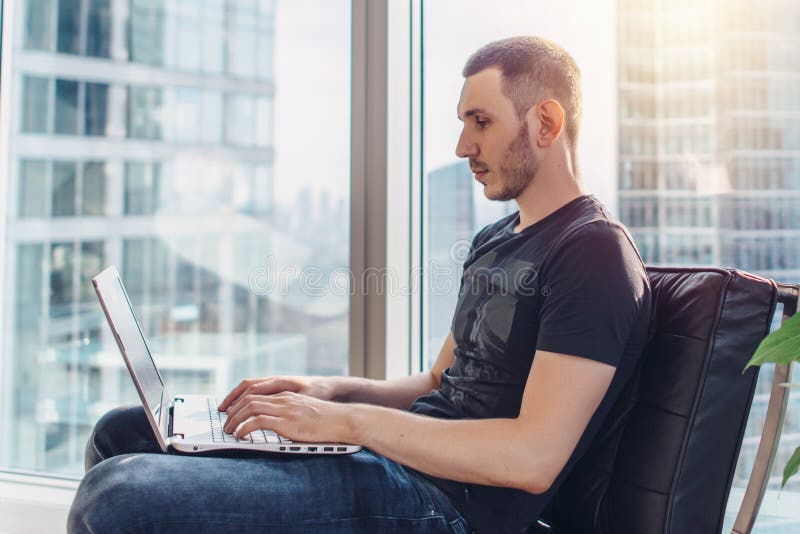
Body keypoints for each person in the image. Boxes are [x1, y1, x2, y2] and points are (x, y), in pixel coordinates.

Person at [68, 36, 651, 534]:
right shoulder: (497, 239)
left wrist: (348, 424)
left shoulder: (593, 252)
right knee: (120, 433)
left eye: (482, 122)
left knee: (114, 497)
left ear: (545, 122)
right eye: (463, 124)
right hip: (395, 462)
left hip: (449, 507)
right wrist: (326, 390)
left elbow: (533, 458)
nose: (462, 146)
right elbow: (435, 382)